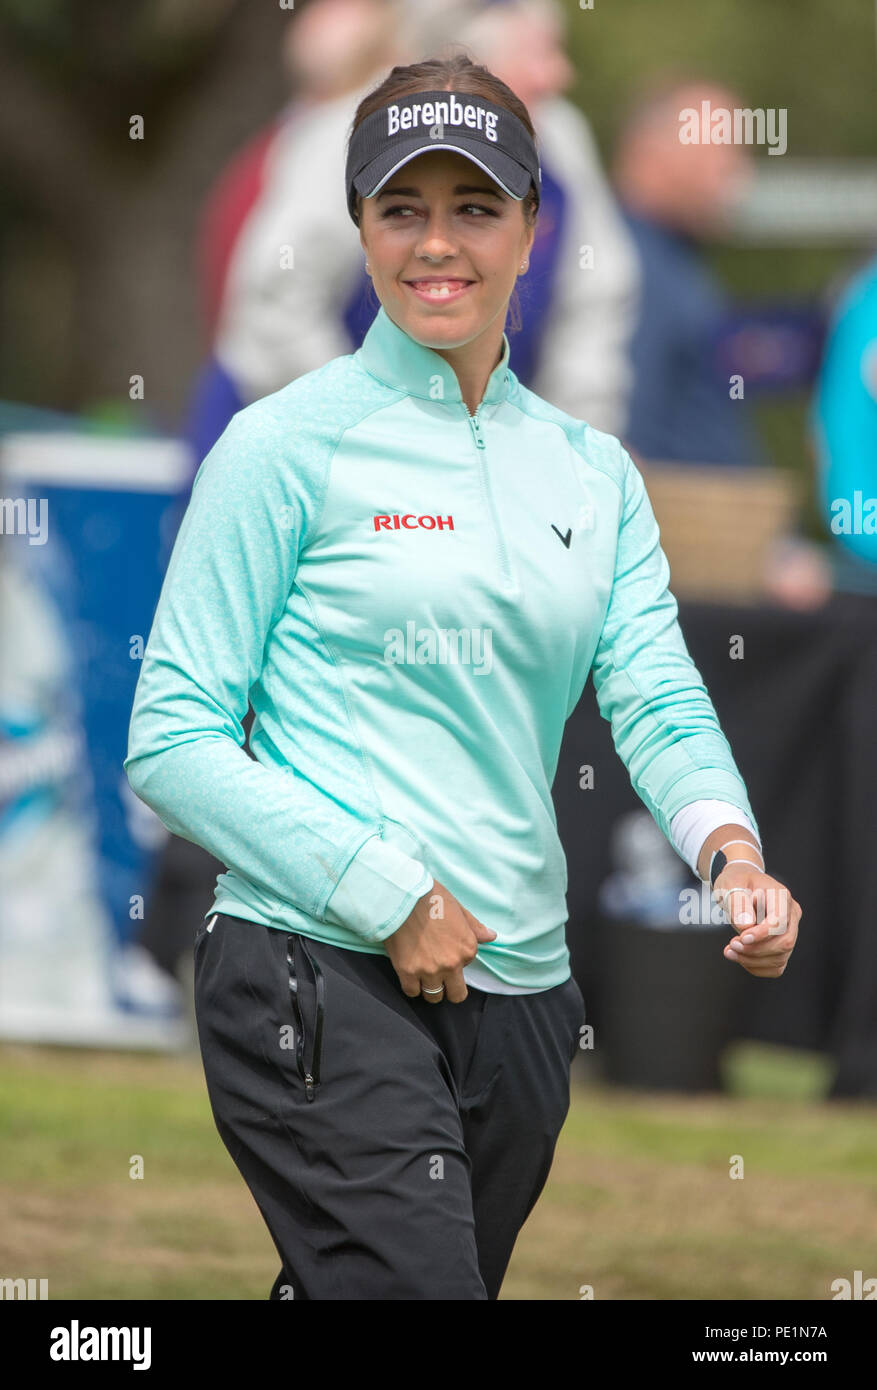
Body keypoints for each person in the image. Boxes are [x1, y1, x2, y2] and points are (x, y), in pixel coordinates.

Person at [124, 55, 801, 1301]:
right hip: (310, 962)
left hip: (525, 997)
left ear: (533, 231)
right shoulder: (279, 445)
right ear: (361, 230)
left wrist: (731, 852)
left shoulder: (592, 474)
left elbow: (654, 691)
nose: (438, 245)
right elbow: (172, 734)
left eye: (475, 207)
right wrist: (387, 893)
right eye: (402, 209)